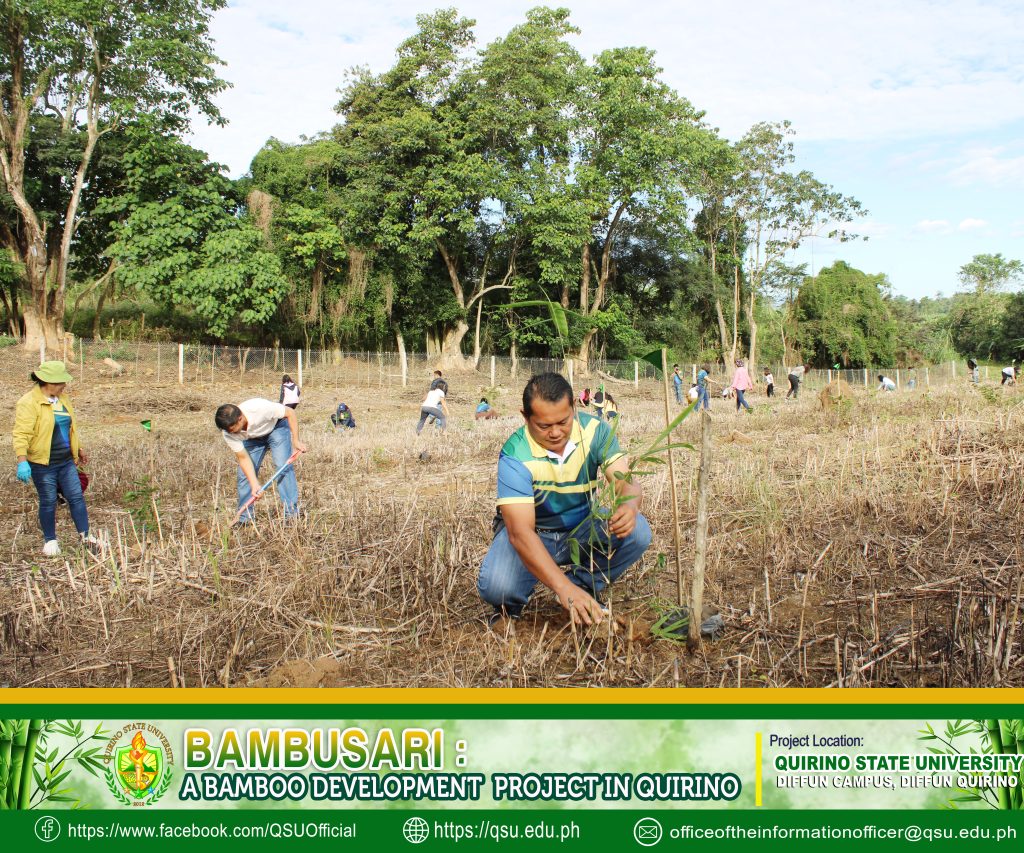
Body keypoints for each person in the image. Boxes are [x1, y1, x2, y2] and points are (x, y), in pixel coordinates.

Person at [477, 373, 652, 627]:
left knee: (639, 531)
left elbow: (626, 481)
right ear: (525, 417)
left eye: (563, 421)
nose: (556, 433)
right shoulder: (515, 454)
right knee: (497, 587)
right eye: (544, 426)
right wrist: (562, 588)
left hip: (581, 529)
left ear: (574, 408)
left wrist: (629, 504)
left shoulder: (596, 432)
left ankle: (584, 586)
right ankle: (512, 607)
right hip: (536, 535)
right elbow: (520, 533)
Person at [13, 361, 98, 556]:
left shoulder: (63, 399)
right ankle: (50, 541)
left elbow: (69, 428)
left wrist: (79, 449)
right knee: (48, 500)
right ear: (46, 382)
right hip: (42, 464)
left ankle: (86, 536)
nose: (64, 386)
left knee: (76, 497)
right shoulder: (28, 402)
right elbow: (21, 433)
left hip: (66, 461)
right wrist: (22, 460)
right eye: (60, 382)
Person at [215, 398, 306, 523]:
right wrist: (254, 484)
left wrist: (296, 440)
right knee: (244, 474)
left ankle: (291, 515)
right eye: (228, 431)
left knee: (283, 466)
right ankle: (245, 518)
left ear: (240, 418)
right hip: (252, 439)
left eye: (234, 430)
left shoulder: (259, 408)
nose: (232, 433)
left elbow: (290, 412)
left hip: (276, 428)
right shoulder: (228, 433)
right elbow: (243, 458)